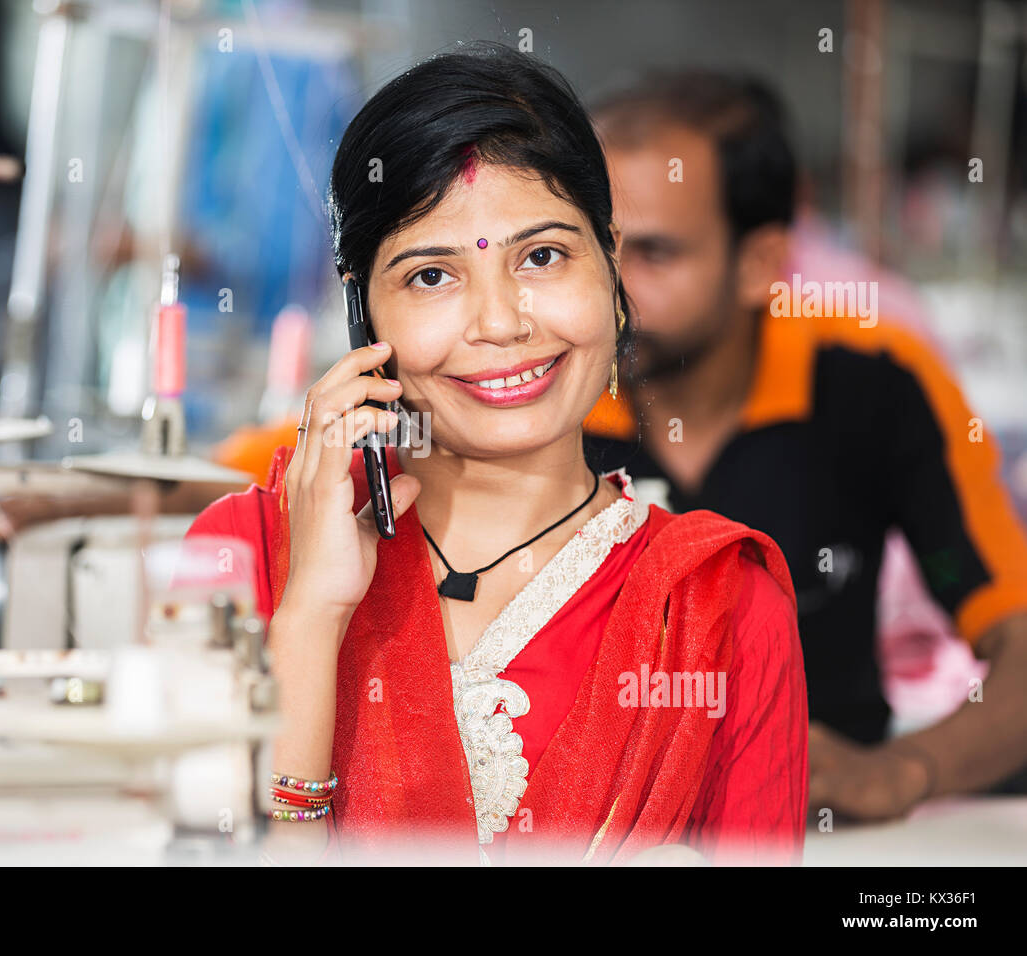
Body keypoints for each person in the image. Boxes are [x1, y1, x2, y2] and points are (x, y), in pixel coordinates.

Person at [182, 43, 806, 866]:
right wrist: (308, 622)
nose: (502, 323)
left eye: (543, 256)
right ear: (362, 312)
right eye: (431, 276)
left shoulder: (718, 608)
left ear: (610, 262)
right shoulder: (243, 558)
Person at [582, 70, 1027, 820]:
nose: (607, 291)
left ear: (759, 264)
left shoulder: (877, 385)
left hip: (830, 840)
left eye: (654, 255)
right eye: (587, 246)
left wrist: (906, 770)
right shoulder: (531, 393)